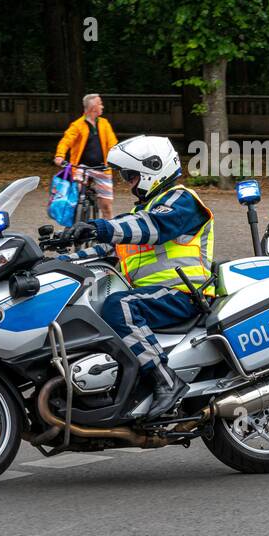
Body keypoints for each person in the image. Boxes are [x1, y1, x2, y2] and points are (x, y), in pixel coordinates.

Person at [58, 136, 213, 419]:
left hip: (183, 293)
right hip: (153, 296)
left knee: (119, 306)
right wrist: (55, 262)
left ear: (154, 169)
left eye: (131, 175)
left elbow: (156, 226)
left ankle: (166, 380)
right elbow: (105, 249)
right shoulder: (137, 213)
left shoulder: (181, 200)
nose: (127, 181)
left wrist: (99, 226)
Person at [54, 93, 118, 219]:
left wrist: (118, 159)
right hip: (81, 167)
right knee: (75, 193)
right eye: (100, 104)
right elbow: (66, 141)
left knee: (106, 206)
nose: (102, 107)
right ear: (93, 107)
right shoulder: (77, 125)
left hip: (102, 168)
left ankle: (110, 233)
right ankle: (72, 223)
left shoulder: (104, 124)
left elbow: (113, 144)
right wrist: (60, 156)